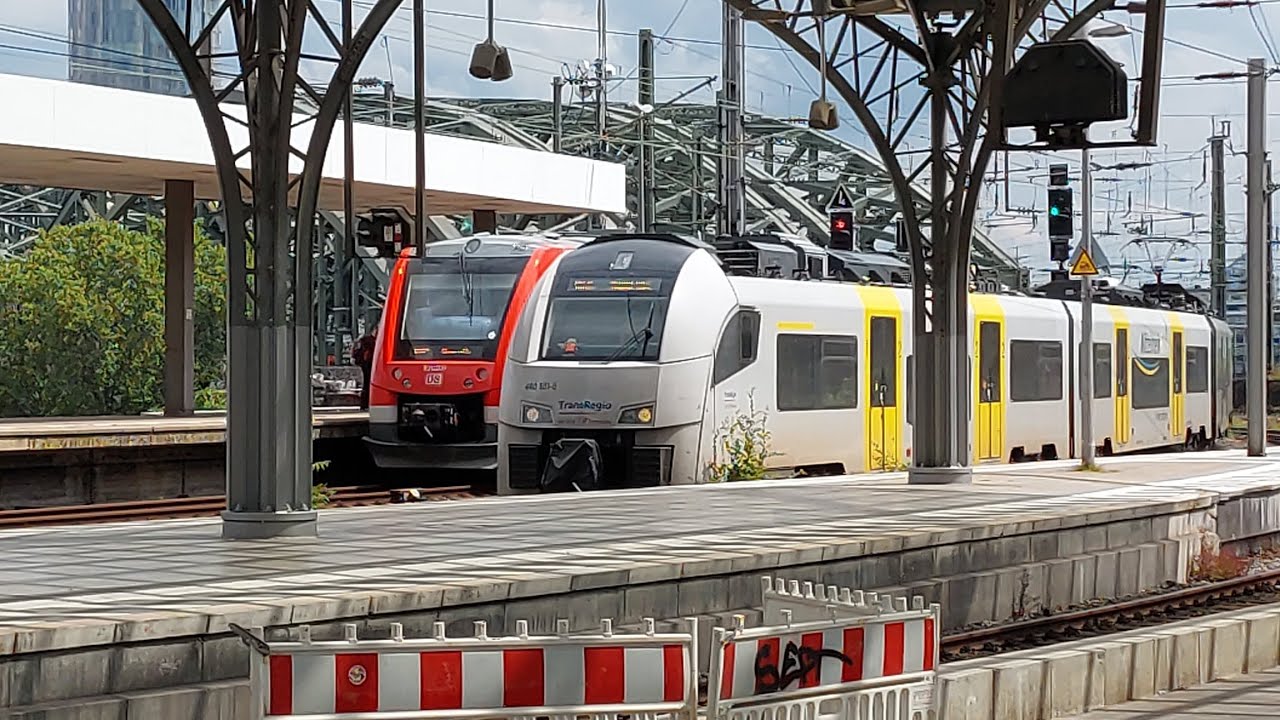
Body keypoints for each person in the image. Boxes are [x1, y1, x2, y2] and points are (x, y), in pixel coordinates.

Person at [352, 327, 378, 410]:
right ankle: (366, 403)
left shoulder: (364, 340)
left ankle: (364, 404)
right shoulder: (371, 341)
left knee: (366, 383)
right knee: (368, 383)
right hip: (369, 363)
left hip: (365, 363)